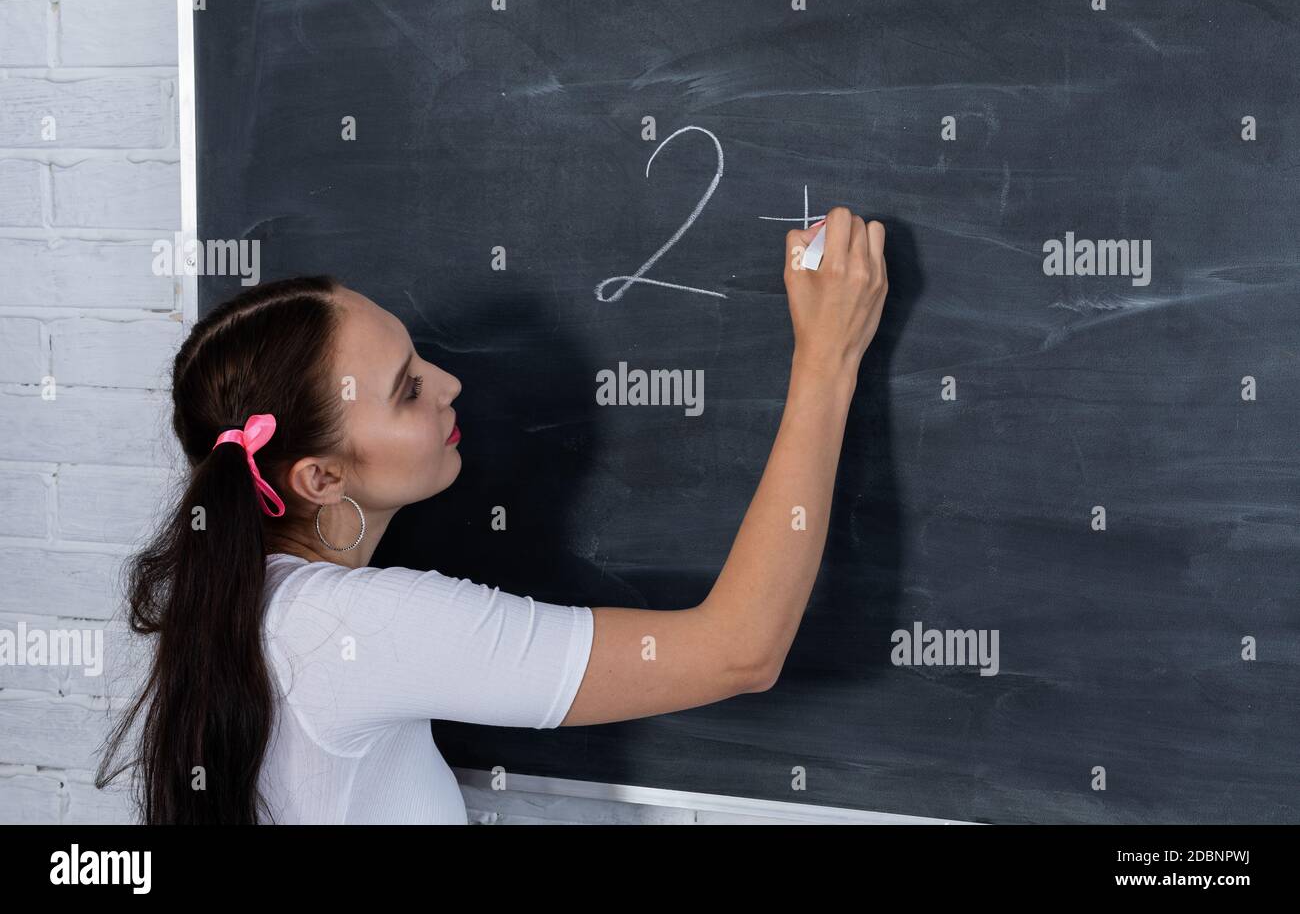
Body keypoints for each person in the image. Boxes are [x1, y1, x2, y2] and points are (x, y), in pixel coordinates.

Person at [94, 207, 888, 823]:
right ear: (322, 477)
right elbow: (738, 651)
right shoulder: (354, 628)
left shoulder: (256, 609)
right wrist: (828, 359)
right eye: (407, 387)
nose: (448, 385)